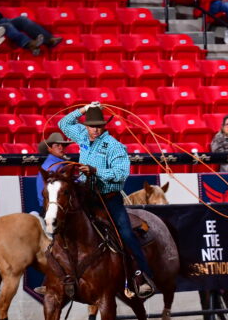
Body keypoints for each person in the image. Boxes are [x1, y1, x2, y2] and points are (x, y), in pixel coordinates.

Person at [58, 102, 156, 298]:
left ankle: (141, 276)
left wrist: (95, 171)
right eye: (91, 125)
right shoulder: (83, 135)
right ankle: (58, 276)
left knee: (126, 235)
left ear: (104, 126)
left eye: (98, 126)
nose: (94, 130)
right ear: (86, 126)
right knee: (61, 226)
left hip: (109, 199)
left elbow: (121, 174)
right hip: (86, 196)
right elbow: (63, 123)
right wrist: (84, 108)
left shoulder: (114, 146)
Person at [36, 132, 71, 209]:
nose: (61, 148)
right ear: (49, 148)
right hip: (52, 206)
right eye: (57, 145)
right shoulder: (53, 167)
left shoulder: (56, 163)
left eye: (63, 145)